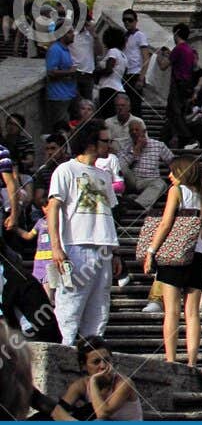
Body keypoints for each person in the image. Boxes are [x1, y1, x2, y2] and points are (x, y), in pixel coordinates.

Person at [46, 121, 118, 344]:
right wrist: (56, 247)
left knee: (99, 309)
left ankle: (92, 358)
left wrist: (115, 252)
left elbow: (109, 213)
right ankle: (63, 352)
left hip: (104, 247)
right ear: (90, 143)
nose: (109, 145)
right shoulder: (66, 170)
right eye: (105, 141)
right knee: (70, 306)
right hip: (76, 245)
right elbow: (53, 208)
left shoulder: (105, 175)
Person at [142, 156, 202, 367]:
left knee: (172, 311)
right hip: (199, 256)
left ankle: (171, 359)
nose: (169, 176)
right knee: (192, 313)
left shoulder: (176, 192)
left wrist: (151, 251)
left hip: (174, 255)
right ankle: (192, 361)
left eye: (173, 172)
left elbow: (166, 223)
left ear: (181, 173)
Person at [51, 336, 141, 420]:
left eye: (107, 360)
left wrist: (93, 381)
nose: (103, 366)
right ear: (84, 366)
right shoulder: (81, 385)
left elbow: (102, 414)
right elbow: (58, 411)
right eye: (96, 362)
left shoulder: (123, 383)